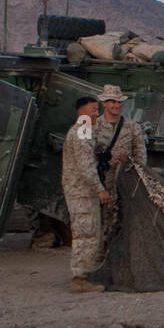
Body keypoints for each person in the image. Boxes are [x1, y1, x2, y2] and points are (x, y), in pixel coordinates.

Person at [62, 96, 109, 293]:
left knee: (89, 231)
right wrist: (100, 189)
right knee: (86, 233)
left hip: (81, 191)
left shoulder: (83, 131)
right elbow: (86, 167)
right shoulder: (81, 132)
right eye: (93, 109)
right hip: (82, 192)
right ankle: (79, 278)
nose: (96, 113)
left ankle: (86, 273)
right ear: (82, 111)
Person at [93, 84, 147, 198]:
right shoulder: (94, 127)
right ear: (103, 103)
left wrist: (126, 161)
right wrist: (106, 161)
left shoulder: (133, 127)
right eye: (112, 101)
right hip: (100, 184)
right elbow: (86, 157)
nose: (117, 105)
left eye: (119, 102)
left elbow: (141, 159)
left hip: (124, 185)